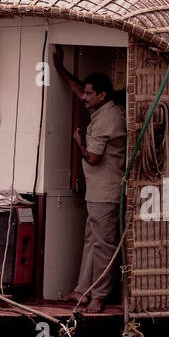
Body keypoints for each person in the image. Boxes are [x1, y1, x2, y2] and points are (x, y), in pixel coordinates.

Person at [53, 47, 126, 313]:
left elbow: (93, 158)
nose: (83, 98)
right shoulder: (107, 109)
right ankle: (82, 290)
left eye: (88, 94)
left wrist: (79, 143)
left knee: (103, 245)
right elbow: (80, 92)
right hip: (97, 193)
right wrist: (61, 69)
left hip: (105, 194)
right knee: (92, 242)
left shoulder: (108, 118)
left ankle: (100, 295)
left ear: (101, 95)